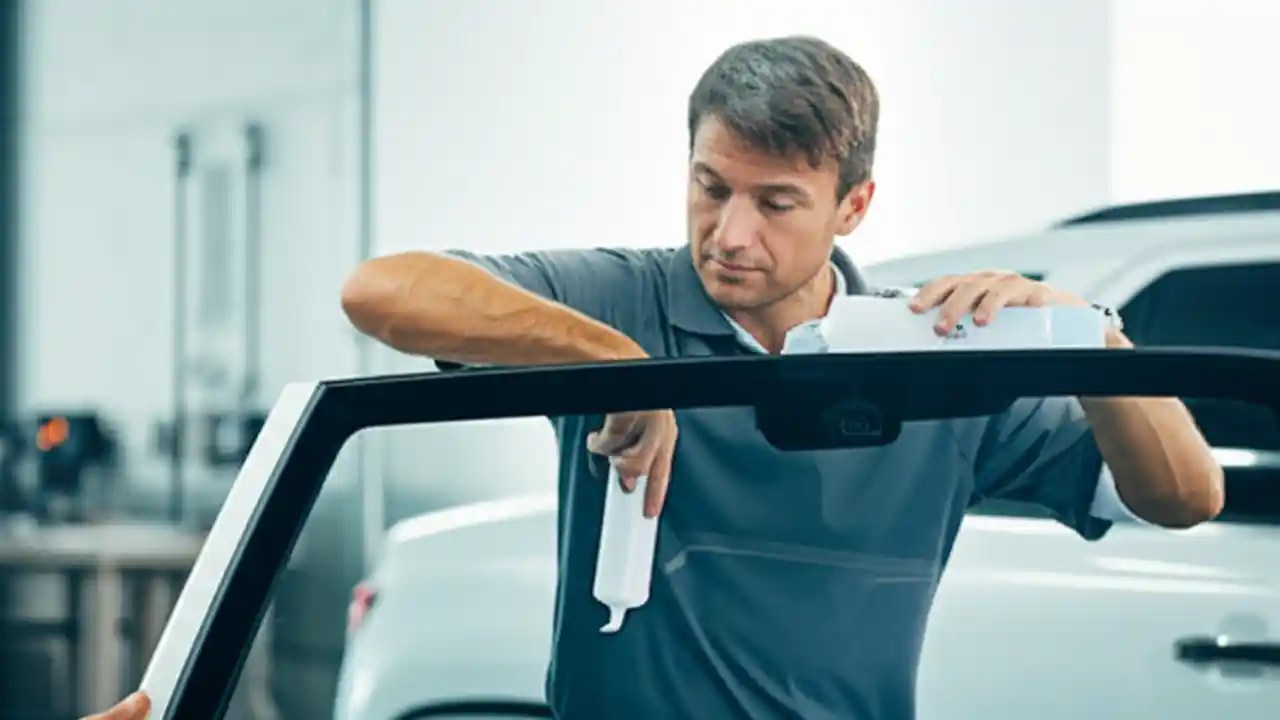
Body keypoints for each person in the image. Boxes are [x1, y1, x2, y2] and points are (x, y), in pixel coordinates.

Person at [91, 34, 1223, 720]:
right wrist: (616, 364)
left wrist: (1089, 340)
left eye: (775, 202)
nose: (728, 234)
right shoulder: (624, 299)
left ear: (853, 206)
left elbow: (1183, 498)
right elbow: (380, 291)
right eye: (709, 185)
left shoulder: (936, 358)